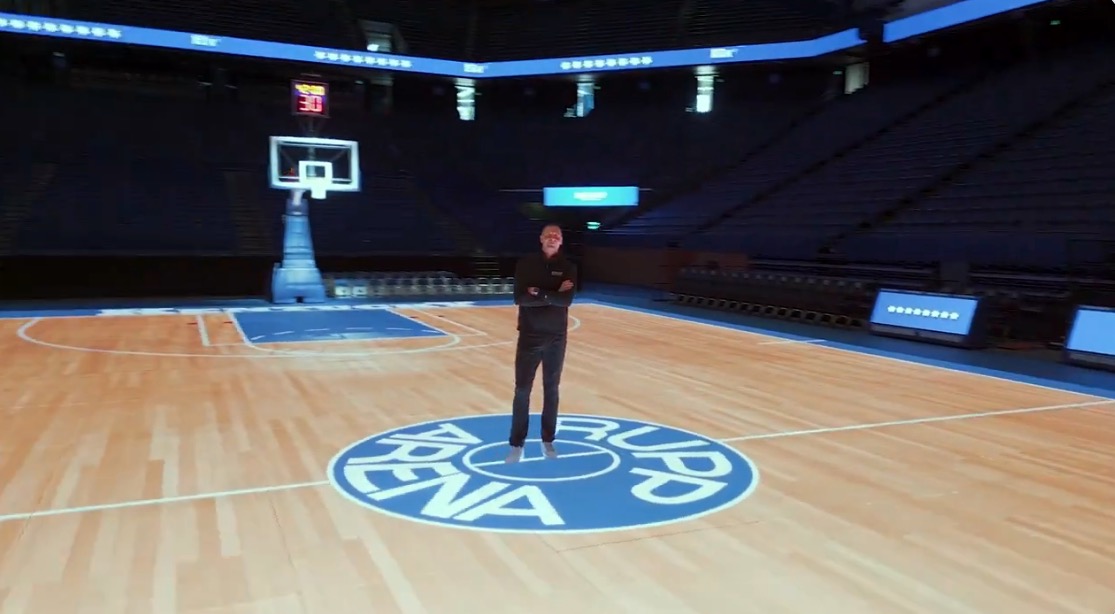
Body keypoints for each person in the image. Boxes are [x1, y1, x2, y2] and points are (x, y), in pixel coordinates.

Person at [506, 223, 577, 463]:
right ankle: (517, 443)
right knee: (522, 389)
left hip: (557, 337)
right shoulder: (525, 264)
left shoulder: (568, 267)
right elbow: (520, 298)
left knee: (552, 389)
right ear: (541, 239)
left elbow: (566, 301)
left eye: (557, 235)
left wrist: (540, 292)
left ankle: (548, 439)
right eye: (549, 235)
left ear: (561, 241)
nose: (552, 238)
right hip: (530, 335)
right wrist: (553, 293)